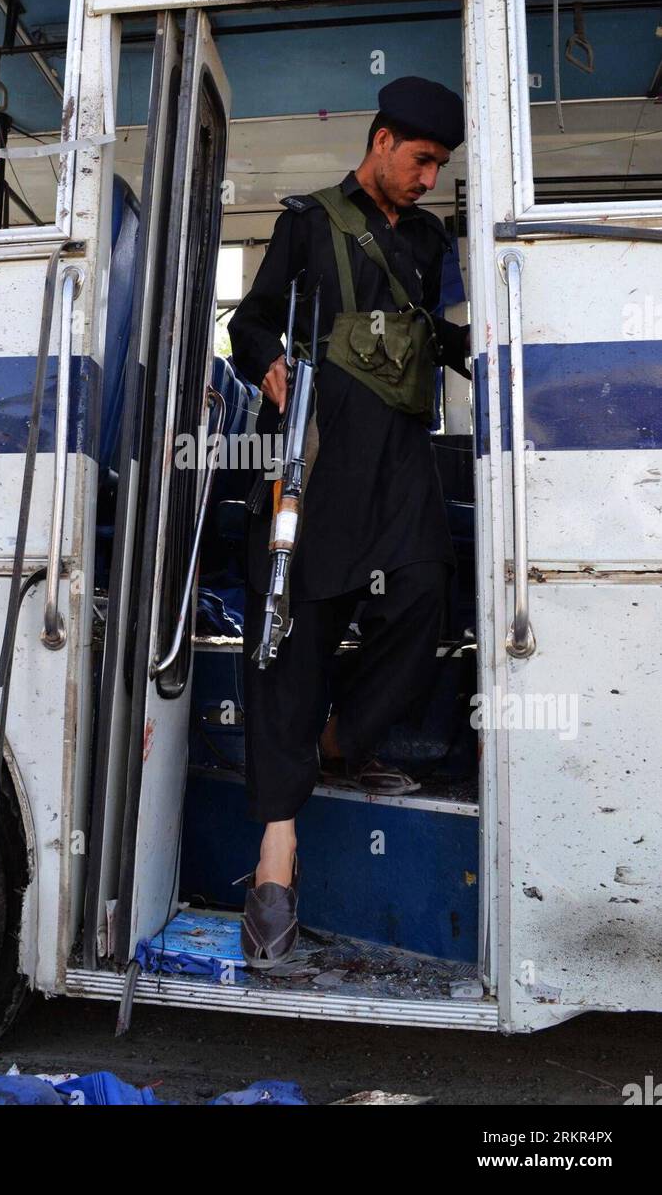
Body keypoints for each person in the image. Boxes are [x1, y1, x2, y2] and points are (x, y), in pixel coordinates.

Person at [227, 76, 472, 969]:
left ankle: (338, 740)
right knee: (293, 636)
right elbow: (248, 327)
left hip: (401, 459)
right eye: (420, 160)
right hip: (320, 456)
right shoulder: (306, 222)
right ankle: (274, 866)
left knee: (424, 599)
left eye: (440, 165)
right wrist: (269, 372)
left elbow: (432, 335)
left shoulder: (430, 237)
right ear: (379, 142)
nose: (428, 178)